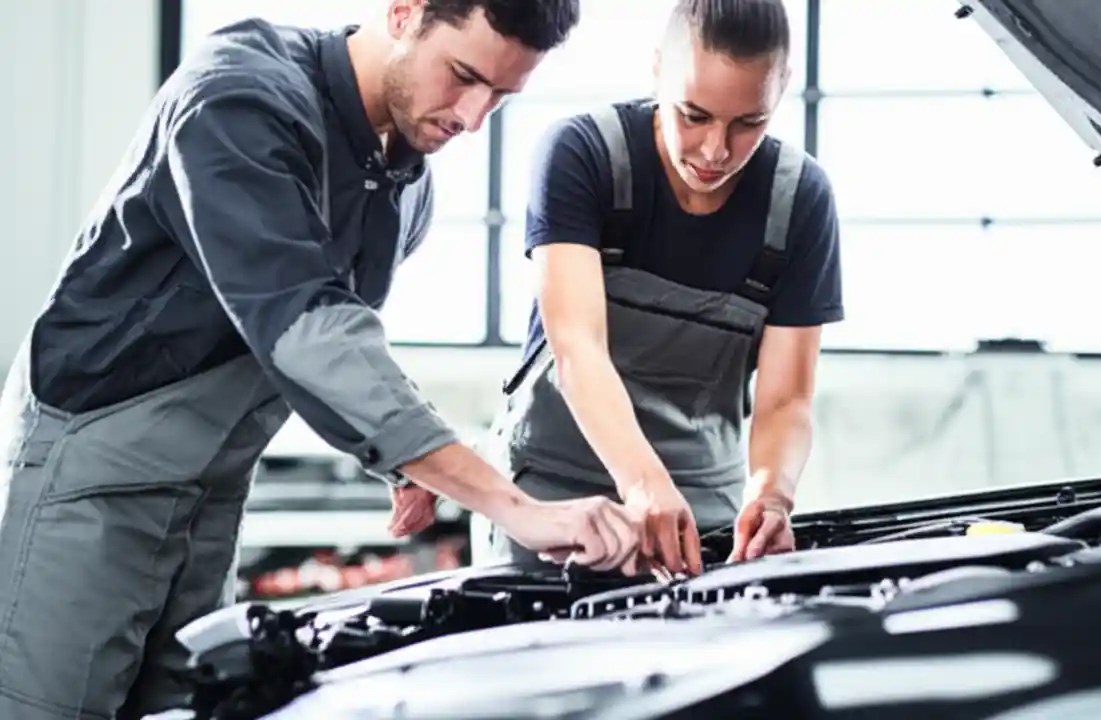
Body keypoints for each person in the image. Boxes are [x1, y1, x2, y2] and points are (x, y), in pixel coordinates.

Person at [0, 2, 645, 718]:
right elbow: (307, 329)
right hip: (93, 480)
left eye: (500, 95)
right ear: (405, 13)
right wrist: (513, 507)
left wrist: (407, 459)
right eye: (464, 76)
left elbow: (340, 351)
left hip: (213, 497)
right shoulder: (237, 99)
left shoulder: (406, 185)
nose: (472, 117)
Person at [484, 0, 843, 576]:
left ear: (781, 92)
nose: (715, 150)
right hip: (555, 495)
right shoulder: (583, 153)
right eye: (693, 114)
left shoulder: (800, 200)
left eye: (749, 122)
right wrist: (645, 485)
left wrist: (772, 494)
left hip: (704, 506)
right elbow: (577, 349)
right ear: (657, 71)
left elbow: (786, 400)